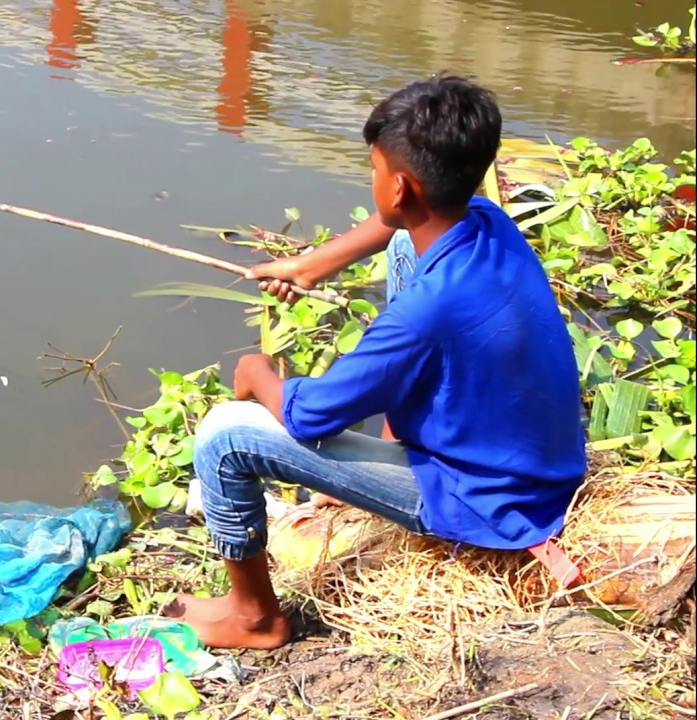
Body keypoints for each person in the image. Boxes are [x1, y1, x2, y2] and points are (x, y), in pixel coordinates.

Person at [163, 74, 588, 650]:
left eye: (375, 169)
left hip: (482, 498)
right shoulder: (487, 222)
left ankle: (255, 618)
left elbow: (310, 415)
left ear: (400, 187)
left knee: (224, 434)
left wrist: (254, 371)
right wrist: (312, 264)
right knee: (404, 245)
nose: (373, 180)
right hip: (533, 462)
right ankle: (391, 443)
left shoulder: (424, 313)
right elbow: (395, 224)